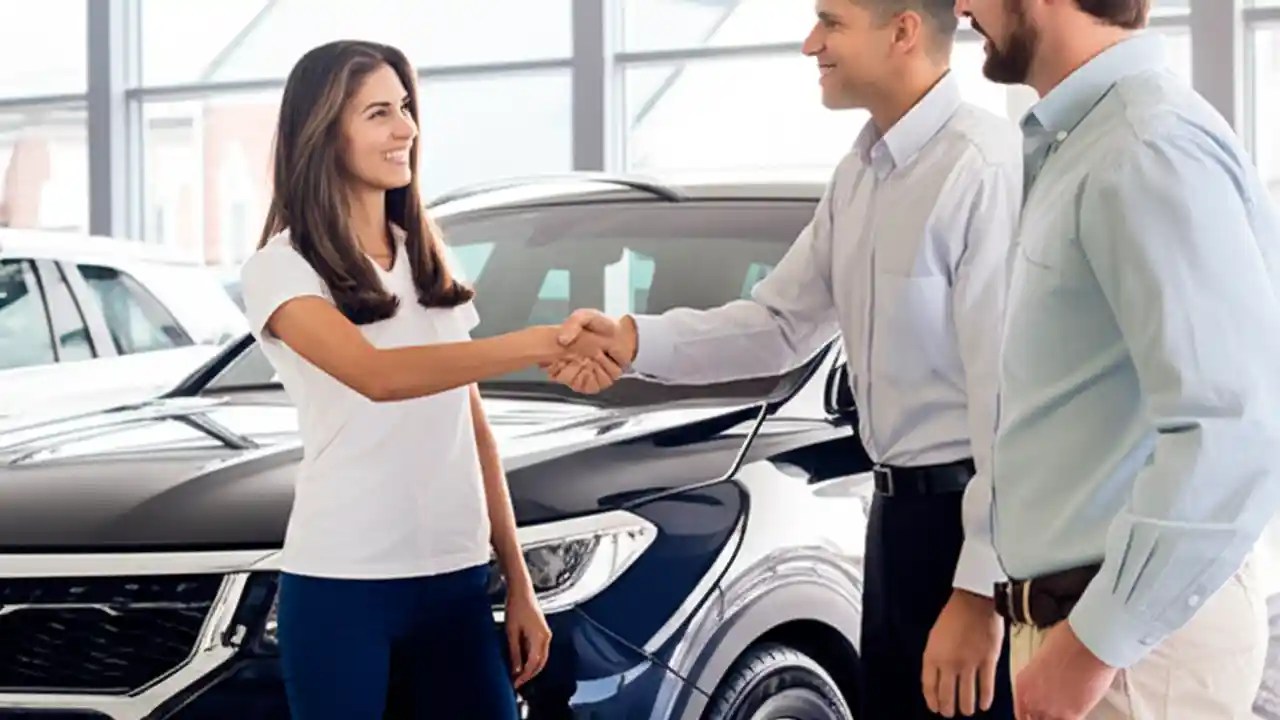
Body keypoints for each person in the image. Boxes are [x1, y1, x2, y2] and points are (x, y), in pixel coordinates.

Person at [549, 1, 1023, 717]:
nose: (811, 44)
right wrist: (632, 341)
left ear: (903, 31)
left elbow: (1010, 405)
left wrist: (979, 591)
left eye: (830, 22)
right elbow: (776, 326)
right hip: (894, 524)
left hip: (966, 532)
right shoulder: (860, 174)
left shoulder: (983, 167)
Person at [237, 40, 619, 719]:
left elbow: (473, 432)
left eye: (406, 108)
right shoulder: (282, 268)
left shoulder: (424, 256)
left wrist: (519, 584)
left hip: (458, 583)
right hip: (343, 584)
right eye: (379, 112)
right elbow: (377, 377)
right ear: (325, 133)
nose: (405, 129)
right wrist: (532, 345)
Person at [955, 0, 1280, 717]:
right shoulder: (1091, 143)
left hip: (1131, 651)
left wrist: (1095, 644)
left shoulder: (1145, 145)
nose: (961, 7)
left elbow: (1231, 428)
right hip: (1097, 632)